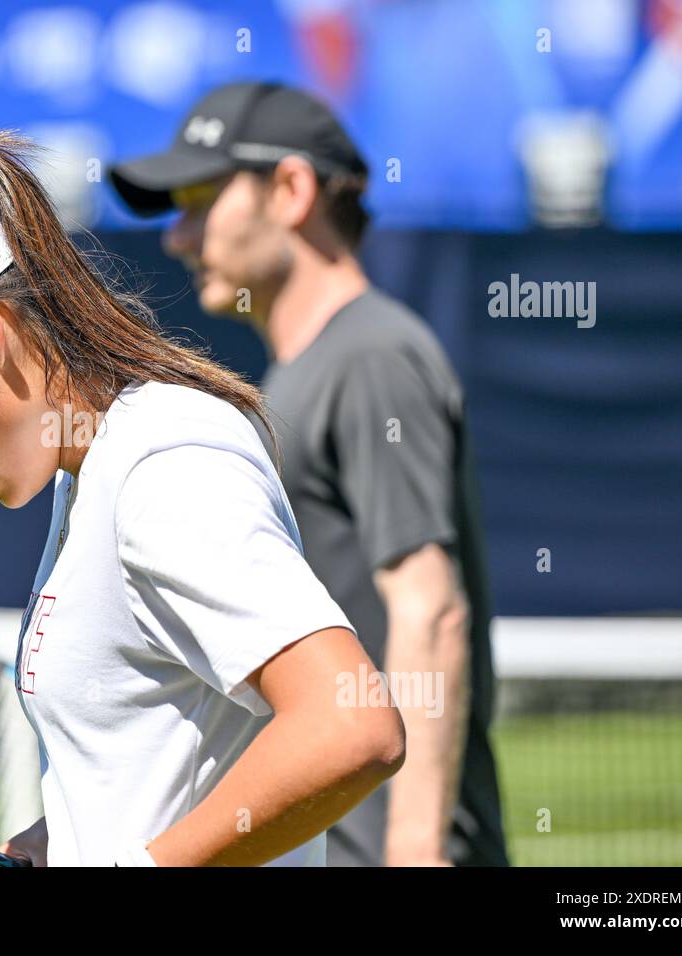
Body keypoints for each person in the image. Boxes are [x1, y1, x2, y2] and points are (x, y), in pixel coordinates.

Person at [0, 131, 404, 866]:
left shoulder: (164, 467)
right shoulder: (89, 468)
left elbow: (350, 726)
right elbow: (152, 780)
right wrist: (47, 848)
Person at [111, 81, 509, 867]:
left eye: (198, 200)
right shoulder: (305, 373)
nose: (177, 237)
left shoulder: (371, 357)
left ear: (291, 190)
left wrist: (411, 848)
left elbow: (430, 608)